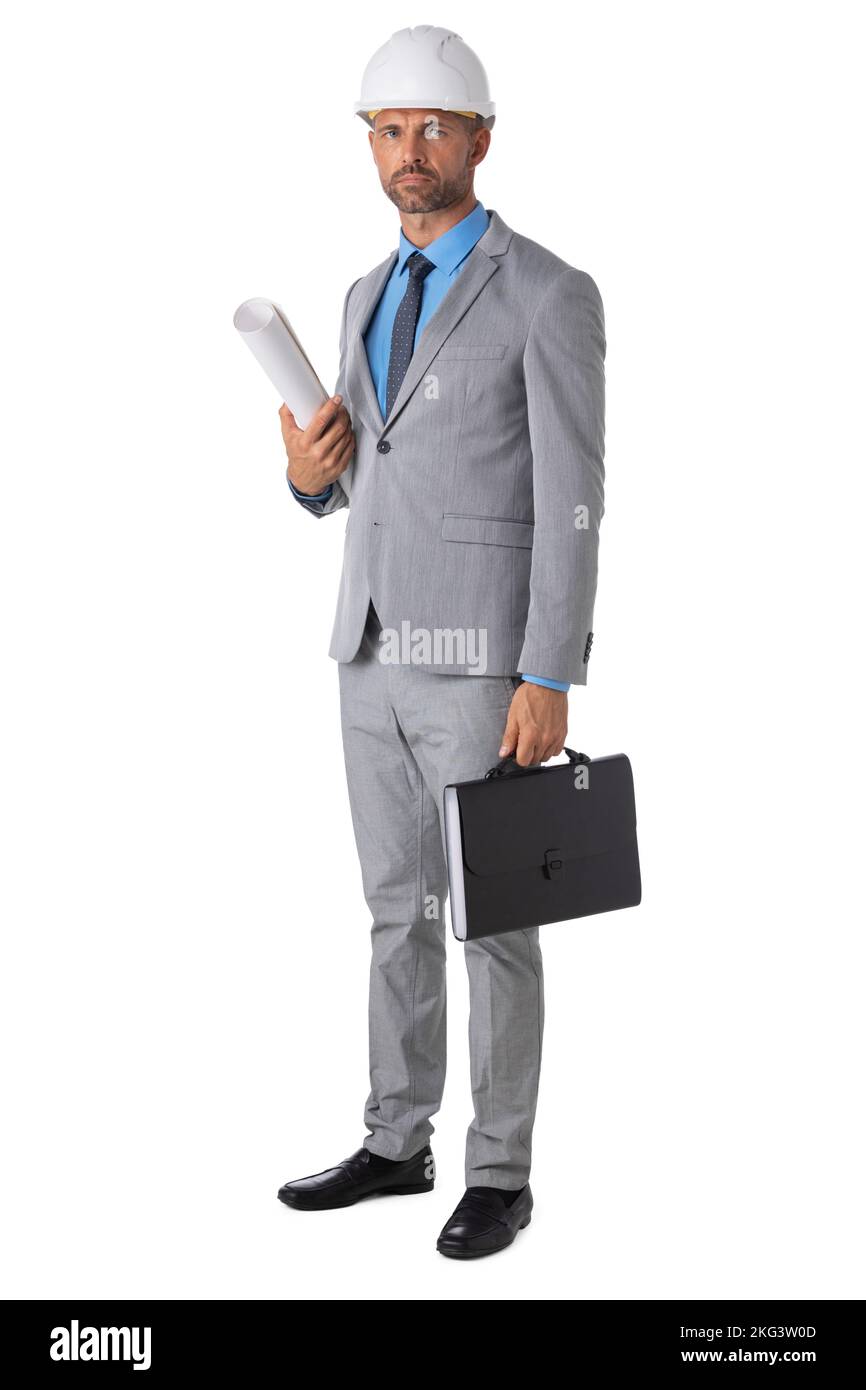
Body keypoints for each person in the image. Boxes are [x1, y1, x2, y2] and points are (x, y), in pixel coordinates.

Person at [276, 25, 606, 1259]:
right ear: (368, 145)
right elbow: (369, 469)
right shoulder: (365, 293)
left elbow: (575, 489)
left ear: (478, 138)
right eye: (385, 131)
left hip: (482, 662)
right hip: (367, 646)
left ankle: (501, 1169)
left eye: (429, 129)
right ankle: (395, 1136)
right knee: (392, 910)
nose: (406, 152)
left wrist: (548, 668)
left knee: (491, 920)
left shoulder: (547, 293)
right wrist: (310, 481)